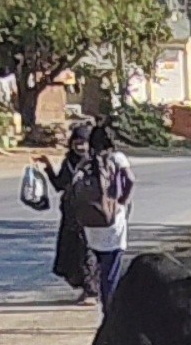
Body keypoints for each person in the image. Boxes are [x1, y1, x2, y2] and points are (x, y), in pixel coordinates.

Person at [70, 121, 136, 307]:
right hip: (113, 220)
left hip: (91, 224)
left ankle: (104, 306)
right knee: (111, 271)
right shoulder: (117, 158)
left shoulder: (85, 162)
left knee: (99, 267)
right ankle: (109, 310)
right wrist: (122, 201)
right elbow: (130, 179)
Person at [45, 123, 95, 301]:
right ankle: (83, 286)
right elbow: (60, 185)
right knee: (69, 252)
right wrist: (47, 168)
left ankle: (91, 291)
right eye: (77, 142)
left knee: (87, 251)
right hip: (69, 215)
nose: (80, 147)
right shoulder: (69, 162)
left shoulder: (95, 163)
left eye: (84, 142)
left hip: (90, 214)